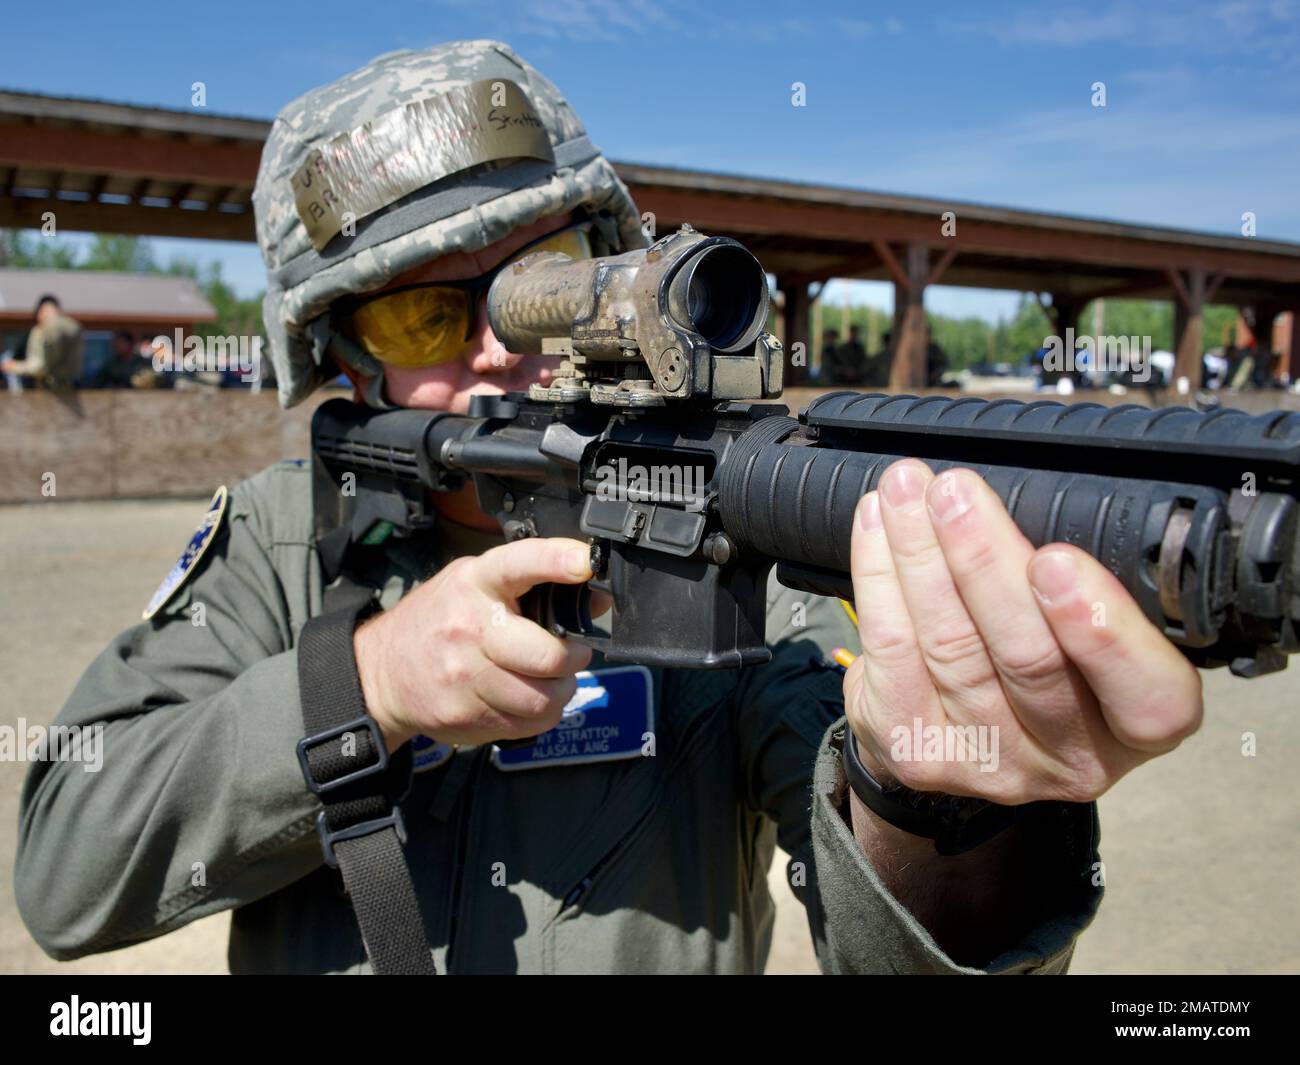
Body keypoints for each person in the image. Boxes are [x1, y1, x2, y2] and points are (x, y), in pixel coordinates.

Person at [15, 40, 1203, 975]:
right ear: (340, 355)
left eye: (548, 286)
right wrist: (363, 690)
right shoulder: (283, 536)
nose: (498, 349)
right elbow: (65, 873)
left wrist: (939, 796)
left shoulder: (743, 536)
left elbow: (906, 937)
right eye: (423, 319)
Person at [0, 294, 83, 391]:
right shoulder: (40, 331)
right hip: (51, 390)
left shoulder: (46, 330)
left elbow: (38, 367)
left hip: (58, 391)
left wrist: (14, 366)